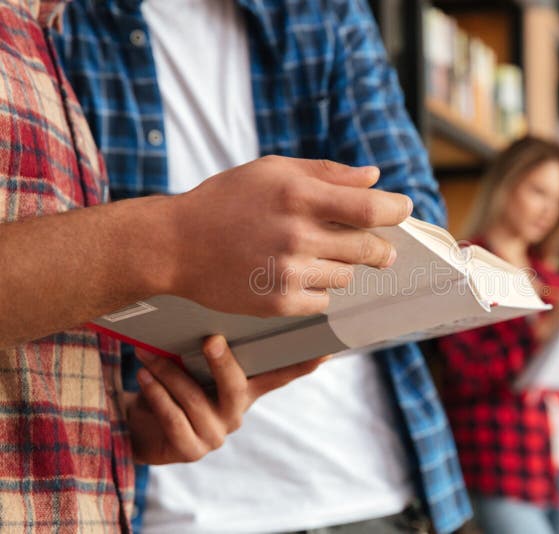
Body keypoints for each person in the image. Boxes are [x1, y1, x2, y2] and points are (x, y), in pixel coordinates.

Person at [54, 1, 471, 533]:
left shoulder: (322, 12)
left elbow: (416, 221)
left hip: (365, 478)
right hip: (169, 496)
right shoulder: (54, 19)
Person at [437, 137, 559, 534]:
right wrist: (543, 334)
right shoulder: (458, 270)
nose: (549, 211)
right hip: (503, 457)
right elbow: (465, 374)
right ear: (505, 185)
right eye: (539, 192)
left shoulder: (553, 281)